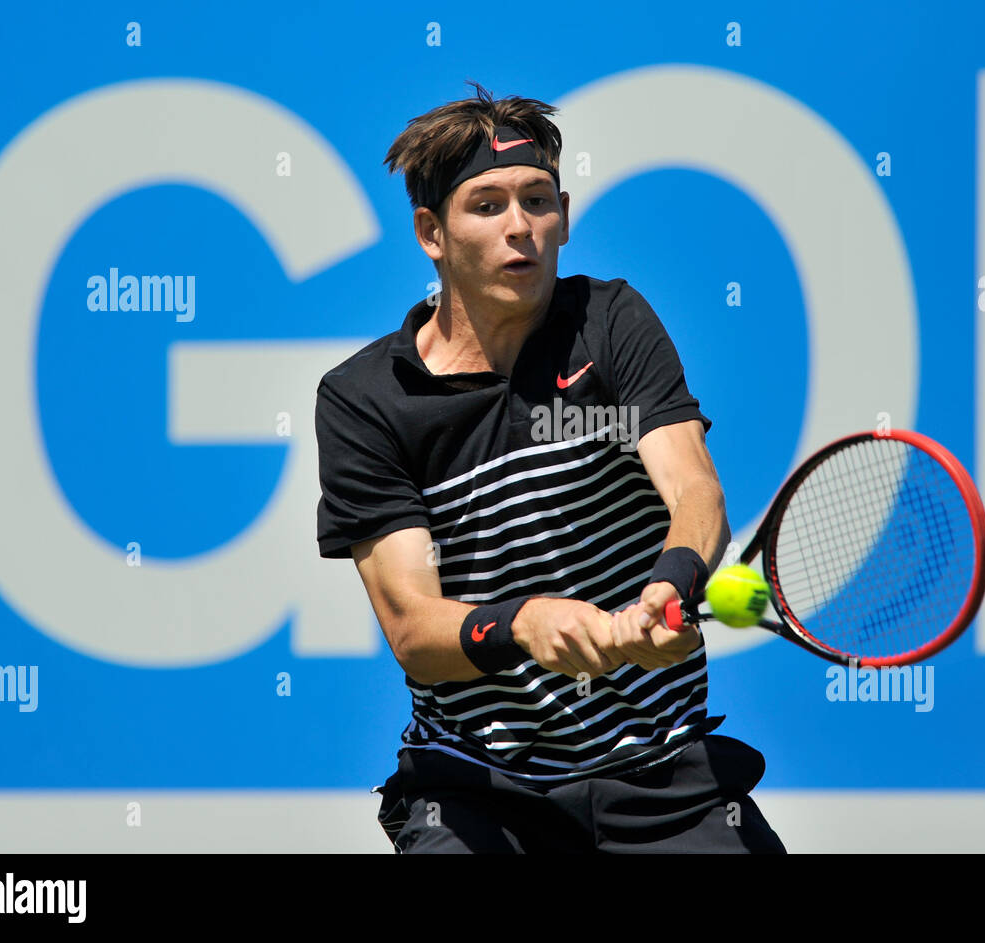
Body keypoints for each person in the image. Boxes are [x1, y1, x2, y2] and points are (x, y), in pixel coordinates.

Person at [314, 80, 785, 853]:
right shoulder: (365, 400)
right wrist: (526, 623)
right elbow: (413, 627)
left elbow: (694, 489)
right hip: (477, 789)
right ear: (431, 232)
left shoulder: (611, 322)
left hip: (664, 773)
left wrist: (669, 584)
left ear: (563, 216)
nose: (521, 229)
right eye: (488, 205)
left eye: (539, 200)